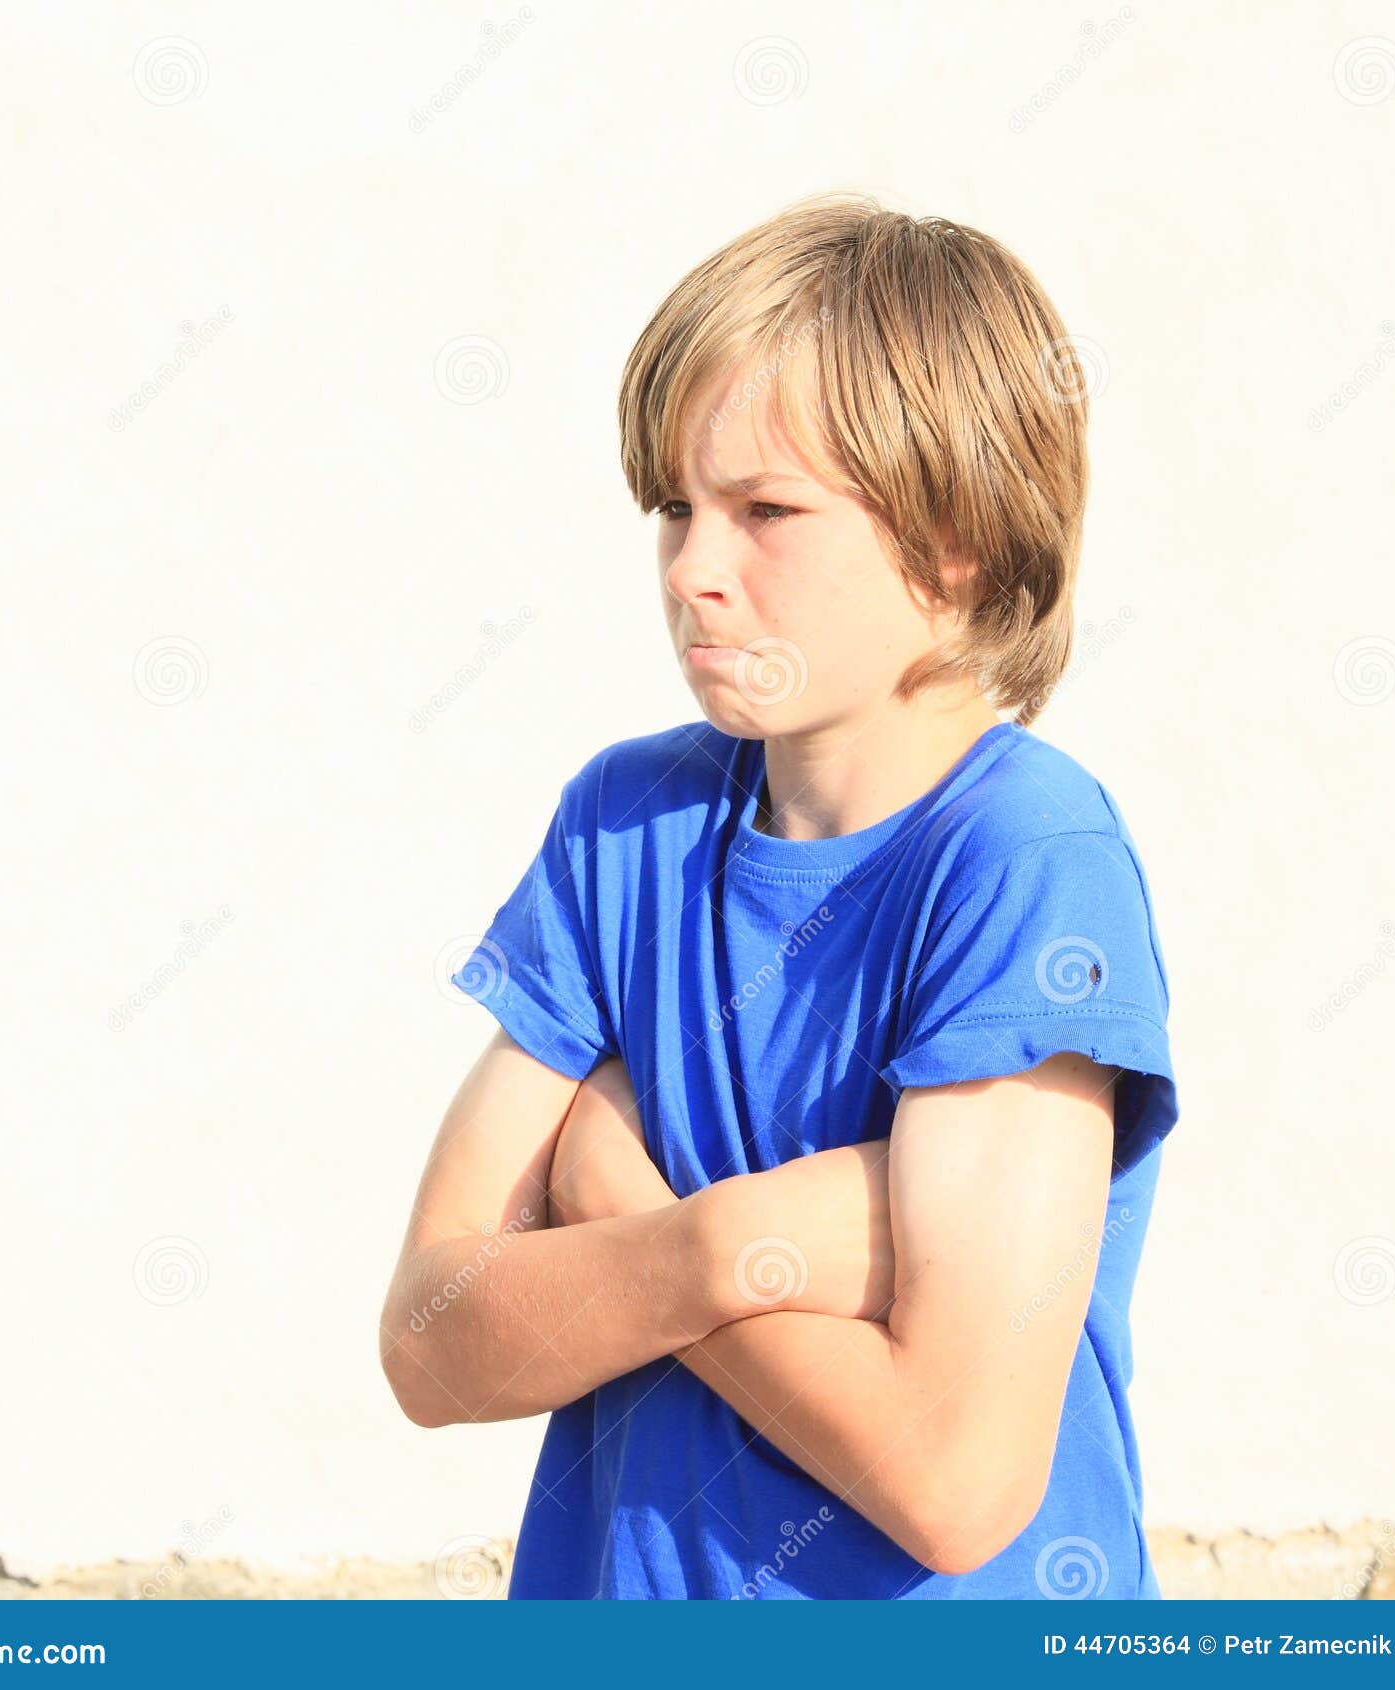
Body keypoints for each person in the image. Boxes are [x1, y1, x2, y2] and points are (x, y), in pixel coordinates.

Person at [379, 192, 1179, 1600]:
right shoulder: (628, 824)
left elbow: (952, 1478)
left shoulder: (1027, 860)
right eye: (677, 507)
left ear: (959, 547)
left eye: (768, 513)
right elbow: (433, 1341)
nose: (694, 570)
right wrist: (718, 1247)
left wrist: (615, 1205)